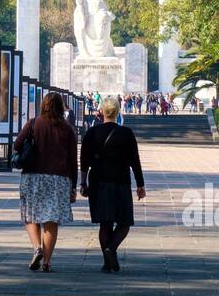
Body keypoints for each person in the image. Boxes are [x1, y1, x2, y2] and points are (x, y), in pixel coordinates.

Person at [12, 91, 78, 273]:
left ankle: (36, 248)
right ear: (61, 107)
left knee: (30, 214)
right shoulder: (67, 129)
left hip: (33, 176)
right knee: (51, 220)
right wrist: (74, 186)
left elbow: (17, 145)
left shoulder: (33, 123)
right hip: (58, 179)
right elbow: (73, 159)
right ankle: (47, 262)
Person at [80, 97, 146, 273]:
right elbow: (135, 161)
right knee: (124, 222)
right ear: (117, 112)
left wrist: (82, 183)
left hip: (98, 182)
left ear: (101, 111)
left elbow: (84, 160)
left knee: (105, 223)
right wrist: (140, 185)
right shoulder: (126, 133)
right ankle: (111, 250)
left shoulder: (92, 133)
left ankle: (107, 259)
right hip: (120, 181)